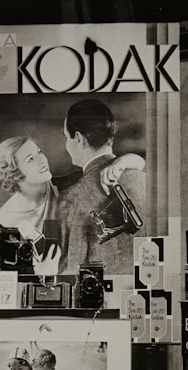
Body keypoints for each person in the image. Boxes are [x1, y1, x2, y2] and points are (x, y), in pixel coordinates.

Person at [0, 135, 143, 275]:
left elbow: (139, 163)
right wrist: (39, 274)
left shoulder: (71, 185)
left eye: (39, 152)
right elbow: (8, 278)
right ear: (15, 175)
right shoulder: (5, 219)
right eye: (30, 159)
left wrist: (121, 162)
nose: (42, 160)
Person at [58, 98, 147, 274]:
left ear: (78, 139)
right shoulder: (144, 180)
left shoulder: (72, 197)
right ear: (110, 138)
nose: (67, 145)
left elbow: (73, 269)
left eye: (66, 137)